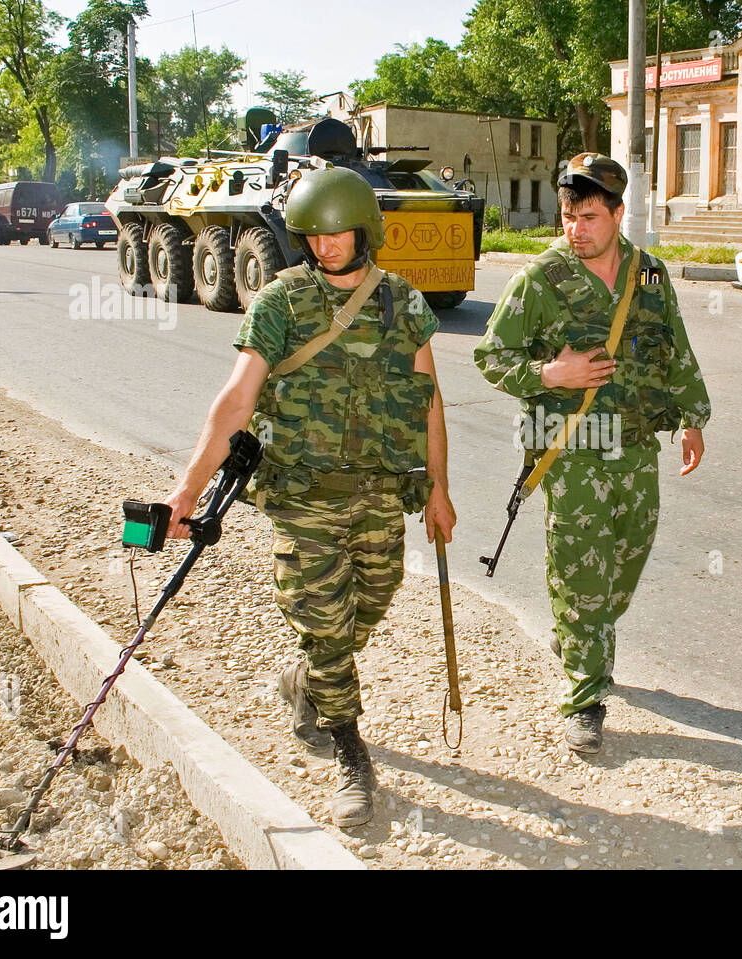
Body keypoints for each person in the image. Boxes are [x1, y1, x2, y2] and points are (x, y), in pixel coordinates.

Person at [161, 166, 456, 828]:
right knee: (326, 627)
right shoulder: (282, 303)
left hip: (381, 493)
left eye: (338, 234)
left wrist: (439, 490)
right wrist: (188, 488)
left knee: (367, 608)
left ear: (365, 231)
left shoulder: (403, 304)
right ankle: (352, 753)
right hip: (303, 499)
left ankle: (306, 677)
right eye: (313, 236)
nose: (325, 247)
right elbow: (237, 399)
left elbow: (429, 406)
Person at [473, 153, 711, 753]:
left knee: (625, 563)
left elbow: (674, 350)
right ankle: (585, 697)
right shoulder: (540, 281)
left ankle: (581, 631)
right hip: (572, 451)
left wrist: (691, 418)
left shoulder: (649, 276)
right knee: (582, 573)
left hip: (633, 447)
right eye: (567, 216)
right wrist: (552, 374)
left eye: (587, 216)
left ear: (617, 213)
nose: (575, 228)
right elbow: (491, 357)